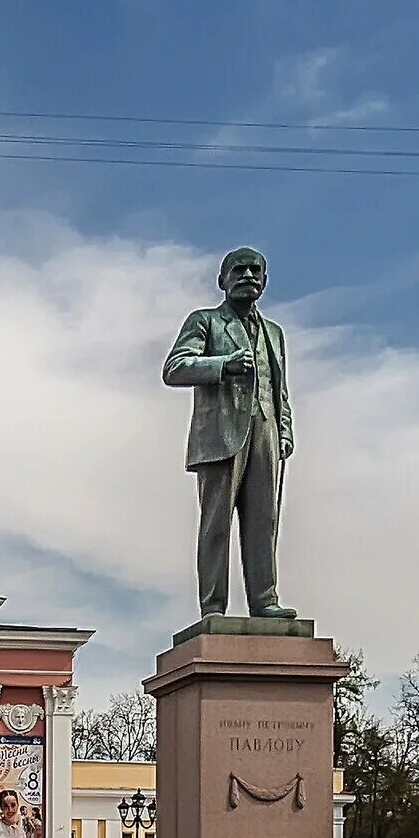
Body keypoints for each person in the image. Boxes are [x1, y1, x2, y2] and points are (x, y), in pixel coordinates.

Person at [163, 246, 298, 621]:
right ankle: (213, 608)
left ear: (265, 281)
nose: (248, 276)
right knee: (216, 525)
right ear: (222, 280)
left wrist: (284, 429)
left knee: (263, 523)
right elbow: (175, 368)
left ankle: (264, 601)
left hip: (265, 432)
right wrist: (223, 364)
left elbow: (279, 387)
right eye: (239, 269)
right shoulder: (204, 321)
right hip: (219, 435)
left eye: (256, 270)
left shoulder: (274, 333)